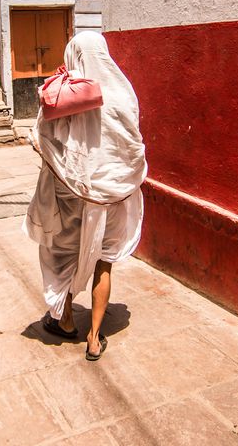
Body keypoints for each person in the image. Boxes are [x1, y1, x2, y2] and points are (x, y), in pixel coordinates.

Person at [24, 30, 147, 361]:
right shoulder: (124, 91)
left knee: (62, 253)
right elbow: (132, 141)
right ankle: (94, 338)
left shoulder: (67, 95)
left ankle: (64, 320)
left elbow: (44, 138)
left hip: (74, 197)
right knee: (104, 262)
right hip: (115, 193)